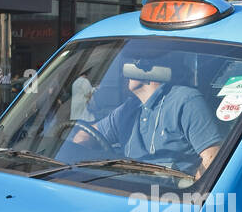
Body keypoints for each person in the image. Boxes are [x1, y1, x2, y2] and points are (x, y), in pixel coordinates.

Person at [72, 53, 225, 177]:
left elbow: (212, 157)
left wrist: (192, 194)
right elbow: (88, 134)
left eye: (133, 62)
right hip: (125, 188)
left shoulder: (185, 101)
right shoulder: (129, 108)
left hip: (169, 198)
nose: (124, 70)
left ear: (147, 68)